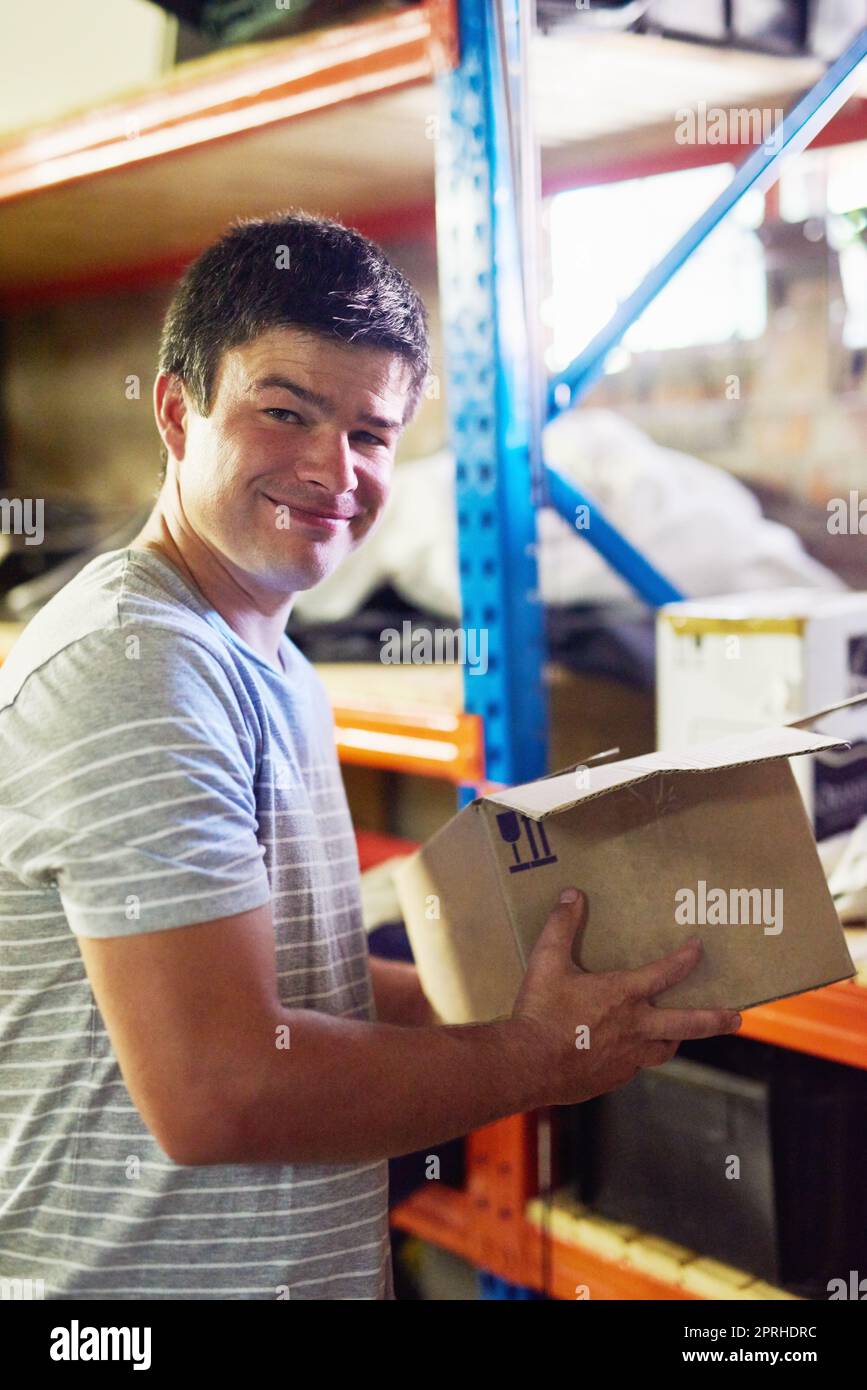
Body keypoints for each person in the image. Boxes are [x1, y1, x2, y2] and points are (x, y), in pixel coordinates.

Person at [0, 212, 740, 1301]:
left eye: (371, 432)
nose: (330, 468)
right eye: (285, 411)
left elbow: (299, 1000)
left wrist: (525, 996)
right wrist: (539, 1055)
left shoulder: (269, 659)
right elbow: (224, 1090)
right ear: (175, 411)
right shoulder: (135, 666)